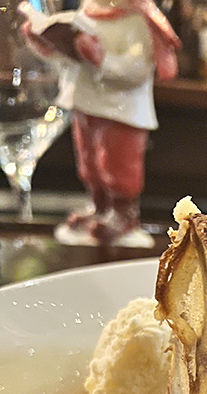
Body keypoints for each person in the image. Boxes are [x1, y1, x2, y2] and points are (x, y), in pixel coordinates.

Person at [23, 0, 180, 245]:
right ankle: (99, 206)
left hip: (121, 111)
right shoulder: (87, 13)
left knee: (118, 166)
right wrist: (43, 43)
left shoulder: (137, 21)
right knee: (89, 162)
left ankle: (122, 212)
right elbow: (67, 60)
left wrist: (101, 59)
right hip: (86, 102)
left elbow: (136, 69)